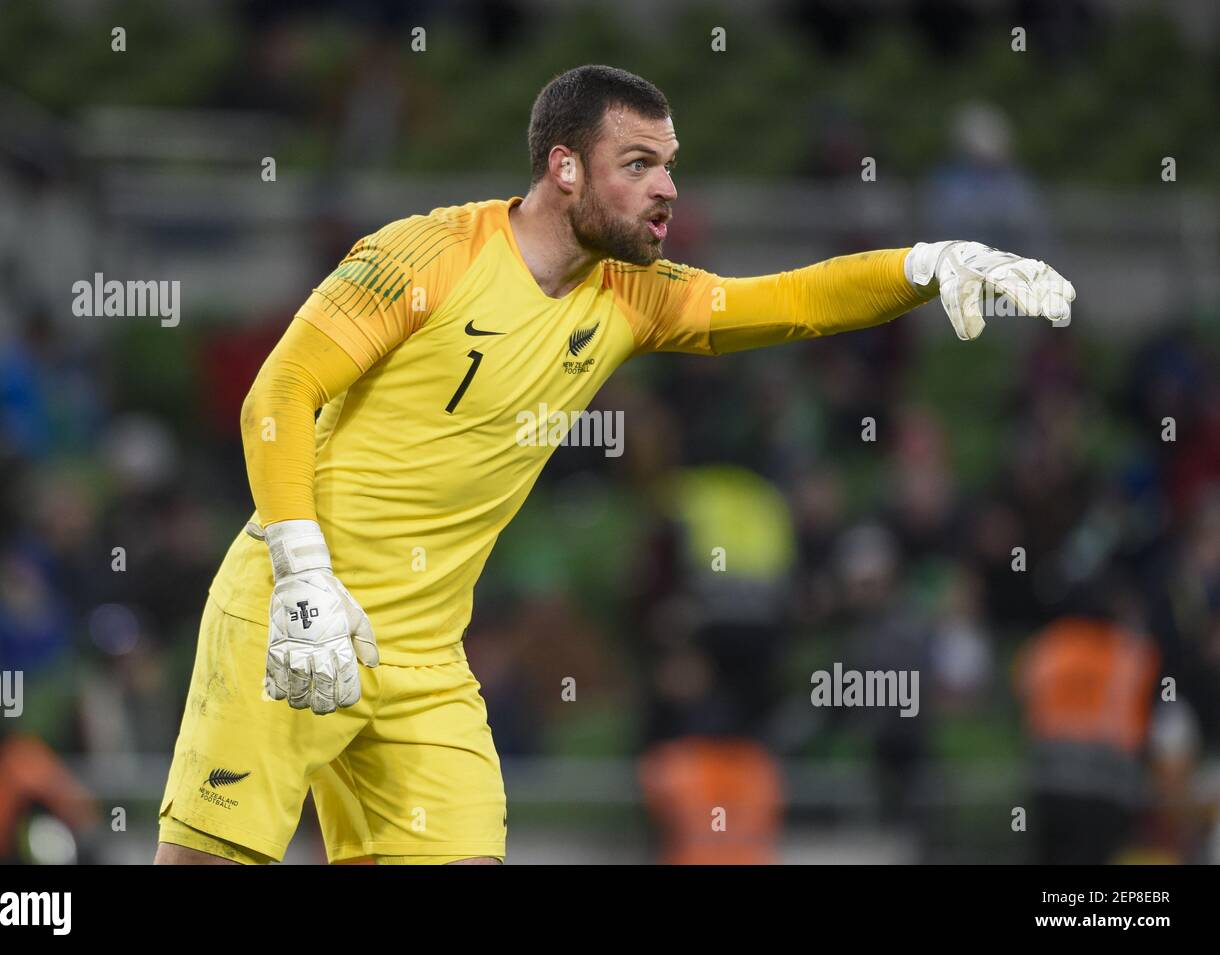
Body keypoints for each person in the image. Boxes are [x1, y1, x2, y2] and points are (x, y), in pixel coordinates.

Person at [155, 64, 1075, 865]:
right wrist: (302, 574)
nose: (666, 186)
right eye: (639, 164)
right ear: (564, 167)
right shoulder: (426, 254)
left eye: (670, 164)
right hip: (290, 605)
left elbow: (788, 301)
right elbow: (275, 397)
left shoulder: (632, 294)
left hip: (425, 658)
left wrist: (925, 262)